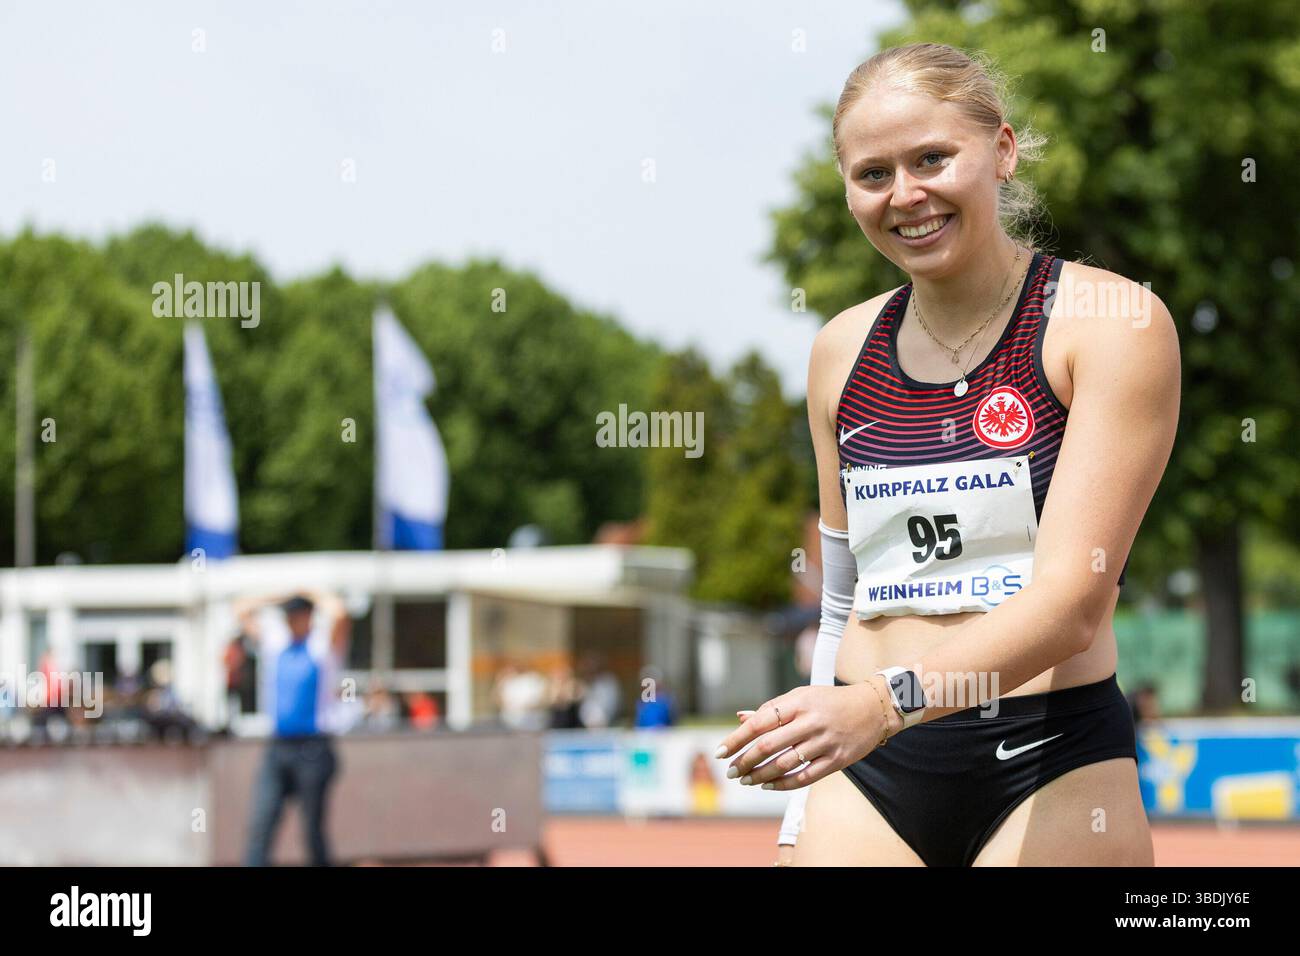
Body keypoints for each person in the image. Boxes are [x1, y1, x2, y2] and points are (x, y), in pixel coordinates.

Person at [716, 42, 1179, 866]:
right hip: (869, 772)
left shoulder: (1113, 322)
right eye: (873, 173)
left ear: (1001, 151)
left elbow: (1072, 604)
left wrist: (883, 705)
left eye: (933, 158)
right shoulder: (839, 350)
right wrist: (799, 819)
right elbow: (841, 600)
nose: (907, 195)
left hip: (1046, 757)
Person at [235, 590, 352, 866]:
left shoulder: (322, 647)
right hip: (279, 747)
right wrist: (283, 594)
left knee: (312, 829)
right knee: (261, 822)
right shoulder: (277, 645)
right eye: (288, 616)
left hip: (314, 748)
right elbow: (241, 609)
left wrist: (308, 590)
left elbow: (341, 613)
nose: (290, 621)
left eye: (296, 615)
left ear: (308, 617)